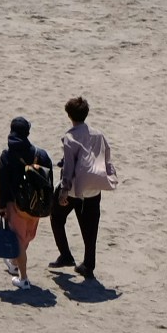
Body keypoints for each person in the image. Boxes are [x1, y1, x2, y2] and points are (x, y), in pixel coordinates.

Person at [50, 96, 115, 280]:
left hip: (74, 190)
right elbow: (105, 155)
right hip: (94, 188)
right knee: (90, 229)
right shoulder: (98, 134)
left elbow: (69, 167)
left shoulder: (70, 137)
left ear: (69, 115)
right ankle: (88, 266)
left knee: (56, 216)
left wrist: (63, 190)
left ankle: (66, 255)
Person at [0, 115, 54, 287]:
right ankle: (14, 264)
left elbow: (3, 183)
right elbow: (49, 180)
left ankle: (24, 279)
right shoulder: (40, 154)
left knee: (19, 240)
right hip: (36, 205)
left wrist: (2, 206)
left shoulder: (7, 155)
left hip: (16, 206)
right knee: (26, 237)